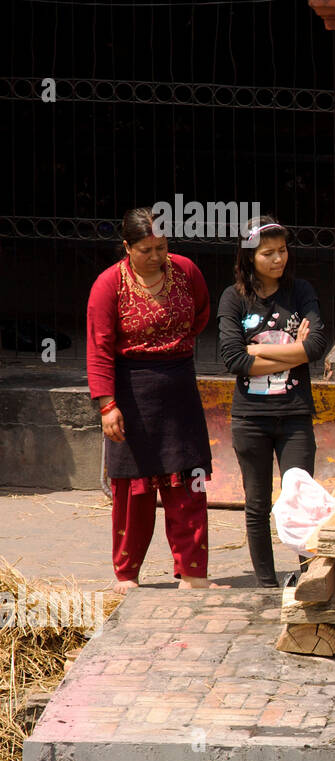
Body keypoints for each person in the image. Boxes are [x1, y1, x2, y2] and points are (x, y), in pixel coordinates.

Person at [86, 208, 226, 593]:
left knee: (188, 484)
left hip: (180, 389)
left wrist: (172, 350)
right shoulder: (108, 285)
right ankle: (127, 575)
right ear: (127, 247)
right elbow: (98, 348)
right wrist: (107, 405)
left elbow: (200, 314)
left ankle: (193, 572)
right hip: (132, 394)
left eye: (161, 248)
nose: (156, 257)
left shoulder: (185, 271)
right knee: (134, 491)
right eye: (146, 249)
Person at [217, 216, 329, 587]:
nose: (278, 259)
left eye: (282, 251)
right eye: (268, 253)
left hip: (295, 414)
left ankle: (312, 579)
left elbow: (315, 348)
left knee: (303, 499)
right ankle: (265, 583)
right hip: (251, 418)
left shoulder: (300, 292)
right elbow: (233, 359)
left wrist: (258, 349)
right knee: (257, 504)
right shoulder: (234, 298)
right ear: (250, 258)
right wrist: (291, 349)